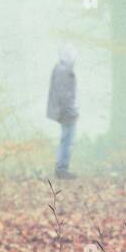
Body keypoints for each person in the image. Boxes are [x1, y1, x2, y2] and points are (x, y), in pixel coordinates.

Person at [46, 45, 79, 179]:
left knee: (66, 139)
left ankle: (62, 168)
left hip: (62, 110)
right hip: (66, 112)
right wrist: (72, 112)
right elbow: (66, 95)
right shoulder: (65, 71)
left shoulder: (59, 69)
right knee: (67, 139)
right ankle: (62, 169)